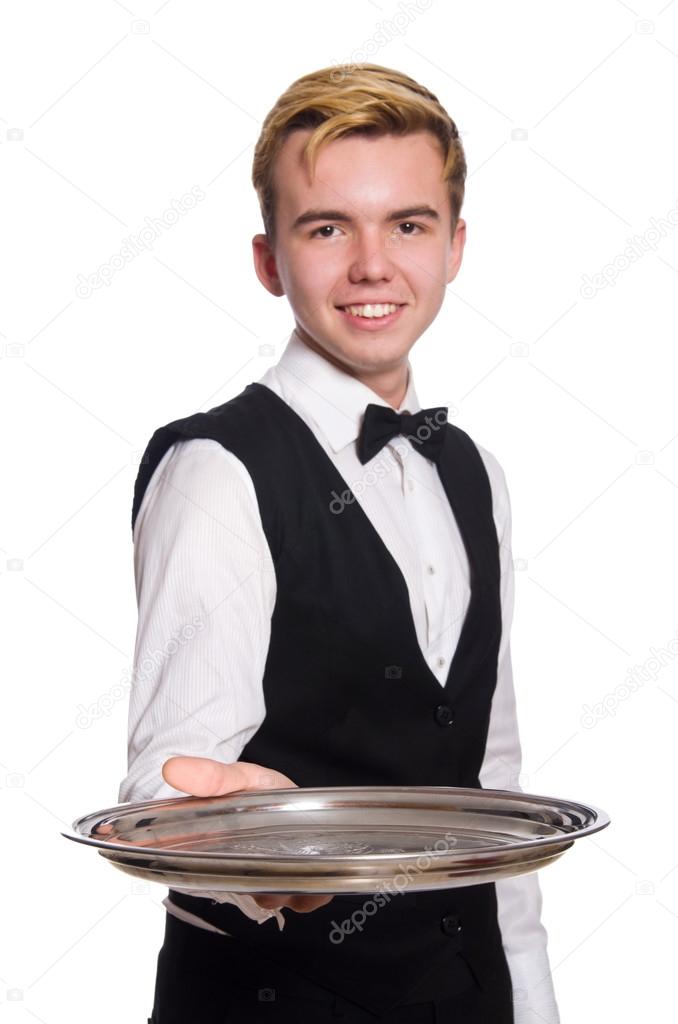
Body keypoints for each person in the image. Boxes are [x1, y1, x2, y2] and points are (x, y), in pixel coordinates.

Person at [120, 63, 561, 1023]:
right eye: (327, 228)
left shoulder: (474, 471)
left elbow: (490, 776)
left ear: (454, 247)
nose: (373, 266)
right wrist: (235, 850)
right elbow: (169, 774)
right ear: (270, 259)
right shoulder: (217, 469)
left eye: (408, 224)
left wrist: (531, 1002)